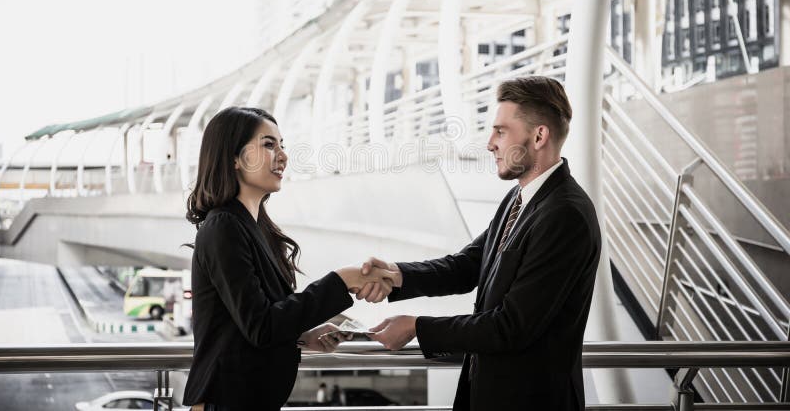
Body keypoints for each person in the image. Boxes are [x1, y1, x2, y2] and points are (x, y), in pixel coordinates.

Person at [357, 76, 601, 411]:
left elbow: (511, 326)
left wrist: (417, 327)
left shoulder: (565, 214)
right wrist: (396, 275)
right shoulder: (519, 199)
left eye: (500, 131)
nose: (489, 144)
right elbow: (468, 265)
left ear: (539, 136)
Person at [182, 106, 396, 411]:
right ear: (234, 158)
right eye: (269, 145)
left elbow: (250, 324)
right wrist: (341, 281)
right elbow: (261, 327)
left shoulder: (253, 228)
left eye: (282, 145)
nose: (283, 156)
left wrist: (302, 337)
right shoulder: (223, 227)